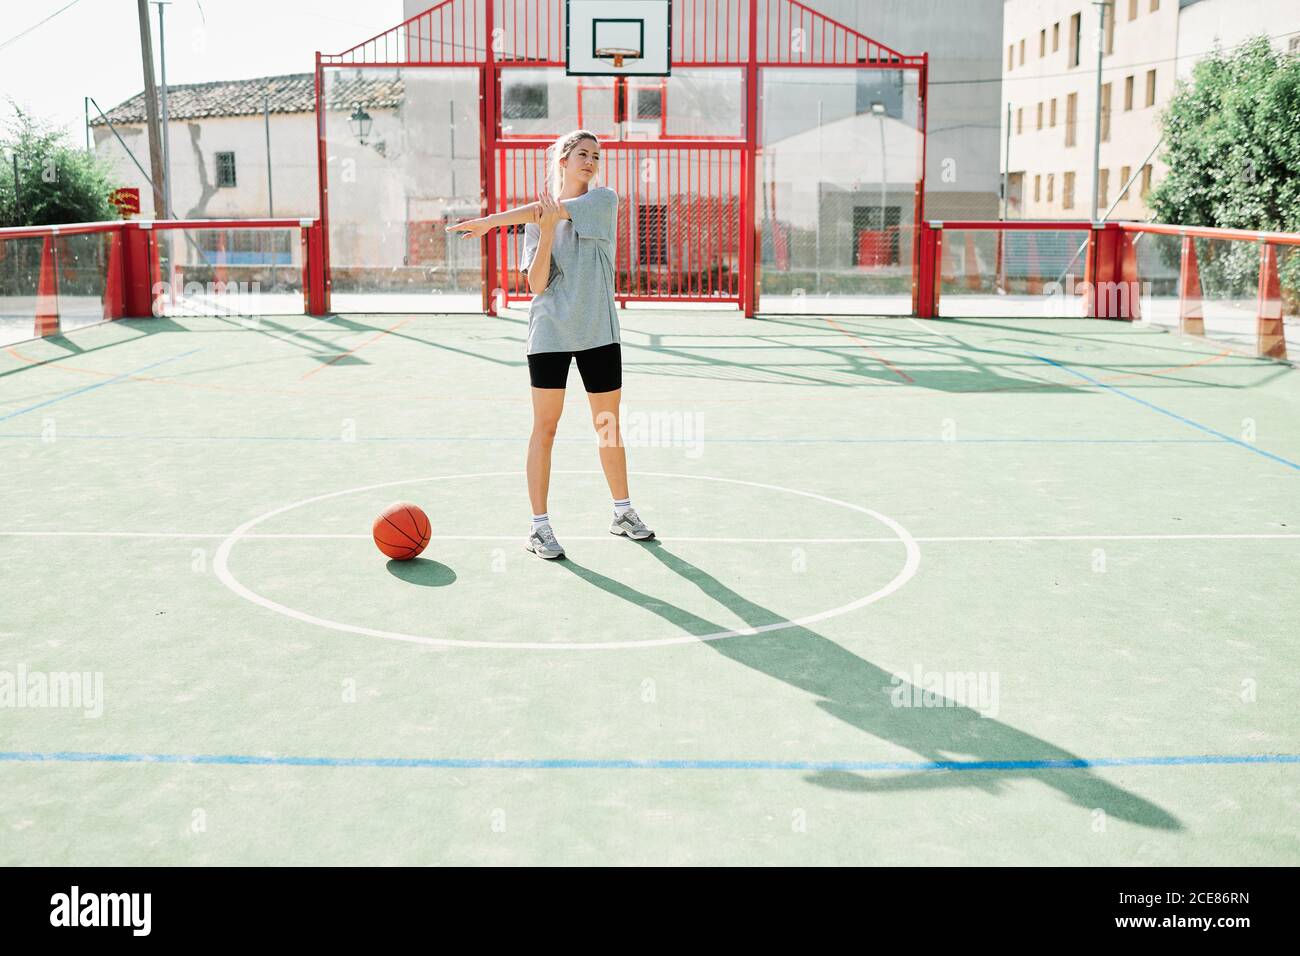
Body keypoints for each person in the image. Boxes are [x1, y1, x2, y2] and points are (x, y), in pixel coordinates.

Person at [446, 129, 654, 559]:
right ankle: (539, 528)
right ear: (562, 159)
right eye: (582, 154)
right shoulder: (535, 220)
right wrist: (538, 233)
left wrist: (489, 222)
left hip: (598, 331)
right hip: (550, 333)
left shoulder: (603, 201)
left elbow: (556, 210)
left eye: (596, 155)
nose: (591, 161)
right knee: (546, 427)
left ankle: (623, 512)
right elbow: (538, 283)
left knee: (607, 426)